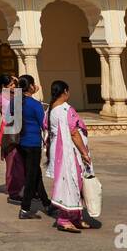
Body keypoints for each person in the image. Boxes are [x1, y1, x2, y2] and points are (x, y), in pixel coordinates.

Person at [44, 80, 91, 233]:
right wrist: (84, 152)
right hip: (66, 152)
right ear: (65, 91)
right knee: (69, 183)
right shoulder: (65, 110)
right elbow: (74, 132)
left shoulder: (50, 110)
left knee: (74, 182)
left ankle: (76, 217)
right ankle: (64, 218)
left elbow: (46, 127)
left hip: (58, 151)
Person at [17, 74, 52, 219]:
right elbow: (44, 123)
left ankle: (47, 204)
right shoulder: (34, 104)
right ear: (31, 86)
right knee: (31, 176)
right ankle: (25, 208)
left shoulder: (16, 102)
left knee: (35, 173)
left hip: (21, 142)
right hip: (33, 143)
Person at [0, 73, 25, 203]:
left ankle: (21, 187)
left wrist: (17, 81)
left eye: (14, 84)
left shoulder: (19, 95)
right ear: (4, 86)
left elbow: (34, 88)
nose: (13, 86)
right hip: (9, 132)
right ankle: (13, 190)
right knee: (11, 161)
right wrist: (4, 120)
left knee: (20, 160)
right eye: (11, 85)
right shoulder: (1, 98)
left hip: (21, 130)